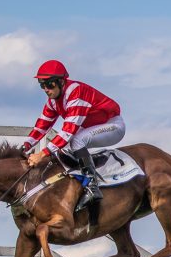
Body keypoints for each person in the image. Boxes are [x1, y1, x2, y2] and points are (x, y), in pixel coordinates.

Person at [23, 60, 125, 204]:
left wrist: (41, 154)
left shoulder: (76, 92)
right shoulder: (53, 101)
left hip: (112, 125)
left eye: (49, 84)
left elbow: (68, 131)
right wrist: (26, 145)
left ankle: (92, 186)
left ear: (61, 81)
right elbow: (41, 126)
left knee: (76, 140)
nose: (46, 89)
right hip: (91, 127)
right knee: (62, 150)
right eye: (42, 85)